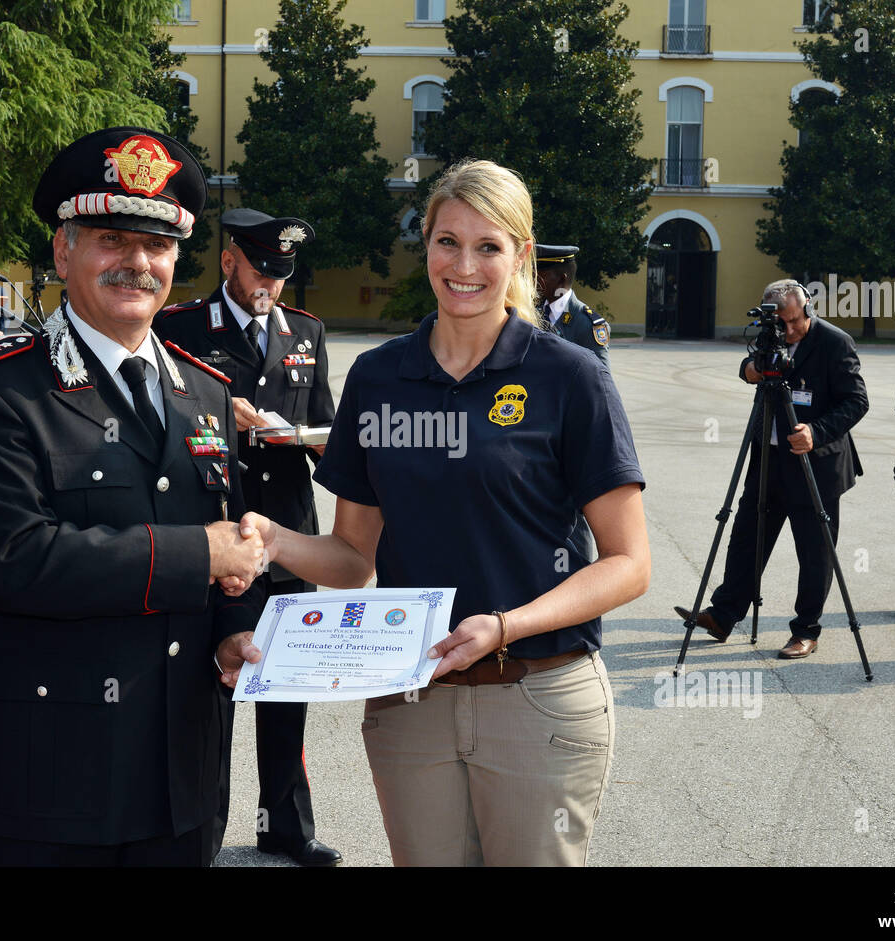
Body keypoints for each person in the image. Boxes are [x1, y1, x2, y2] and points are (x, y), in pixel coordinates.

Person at [242, 159, 650, 866]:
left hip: (539, 698)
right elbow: (350, 558)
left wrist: (504, 625)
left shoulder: (570, 377)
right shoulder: (378, 376)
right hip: (412, 703)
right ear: (424, 245)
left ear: (520, 256)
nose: (465, 266)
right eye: (446, 242)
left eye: (488, 246)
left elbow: (628, 563)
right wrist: (271, 538)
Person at [0, 126, 267, 867]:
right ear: (64, 252)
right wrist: (200, 554)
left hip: (181, 776)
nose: (138, 265)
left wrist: (234, 629)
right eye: (112, 241)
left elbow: (232, 541)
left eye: (156, 248)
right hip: (46, 781)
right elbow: (15, 562)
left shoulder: (204, 391)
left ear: (176, 260)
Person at [154, 208, 340, 867]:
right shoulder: (178, 328)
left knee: (287, 693)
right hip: (216, 535)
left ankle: (285, 826)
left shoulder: (307, 334)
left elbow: (331, 443)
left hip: (289, 540)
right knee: (213, 696)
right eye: (260, 269)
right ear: (230, 259)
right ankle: (200, 831)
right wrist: (219, 424)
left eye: (281, 276)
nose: (270, 286)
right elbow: (158, 431)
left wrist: (295, 436)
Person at [673, 279, 869, 659]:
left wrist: (816, 431)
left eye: (795, 321)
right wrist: (750, 369)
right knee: (747, 537)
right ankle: (723, 615)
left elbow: (857, 401)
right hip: (769, 459)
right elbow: (751, 367)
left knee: (814, 552)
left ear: (808, 309)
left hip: (817, 463)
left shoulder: (834, 342)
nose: (790, 330)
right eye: (782, 324)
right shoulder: (770, 337)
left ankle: (806, 630)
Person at [534, 243, 611, 368]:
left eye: (539, 277)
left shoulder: (587, 325)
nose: (533, 282)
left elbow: (599, 380)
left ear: (561, 279)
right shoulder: (532, 312)